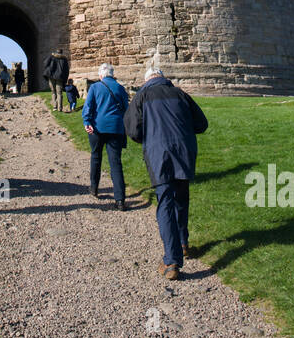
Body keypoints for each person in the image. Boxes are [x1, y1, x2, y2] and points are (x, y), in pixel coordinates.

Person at [124, 64, 209, 280]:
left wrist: (149, 137)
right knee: (181, 198)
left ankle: (171, 261)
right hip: (184, 151)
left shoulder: (141, 97)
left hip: (158, 152)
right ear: (163, 78)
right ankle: (183, 243)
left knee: (165, 202)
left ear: (146, 80)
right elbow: (201, 124)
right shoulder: (180, 94)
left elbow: (133, 130)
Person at [82, 63, 129, 209]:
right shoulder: (120, 88)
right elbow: (126, 110)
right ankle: (120, 200)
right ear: (112, 74)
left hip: (97, 127)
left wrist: (87, 121)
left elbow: (88, 107)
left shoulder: (95, 87)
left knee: (96, 157)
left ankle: (94, 188)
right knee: (115, 163)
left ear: (101, 75)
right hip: (116, 128)